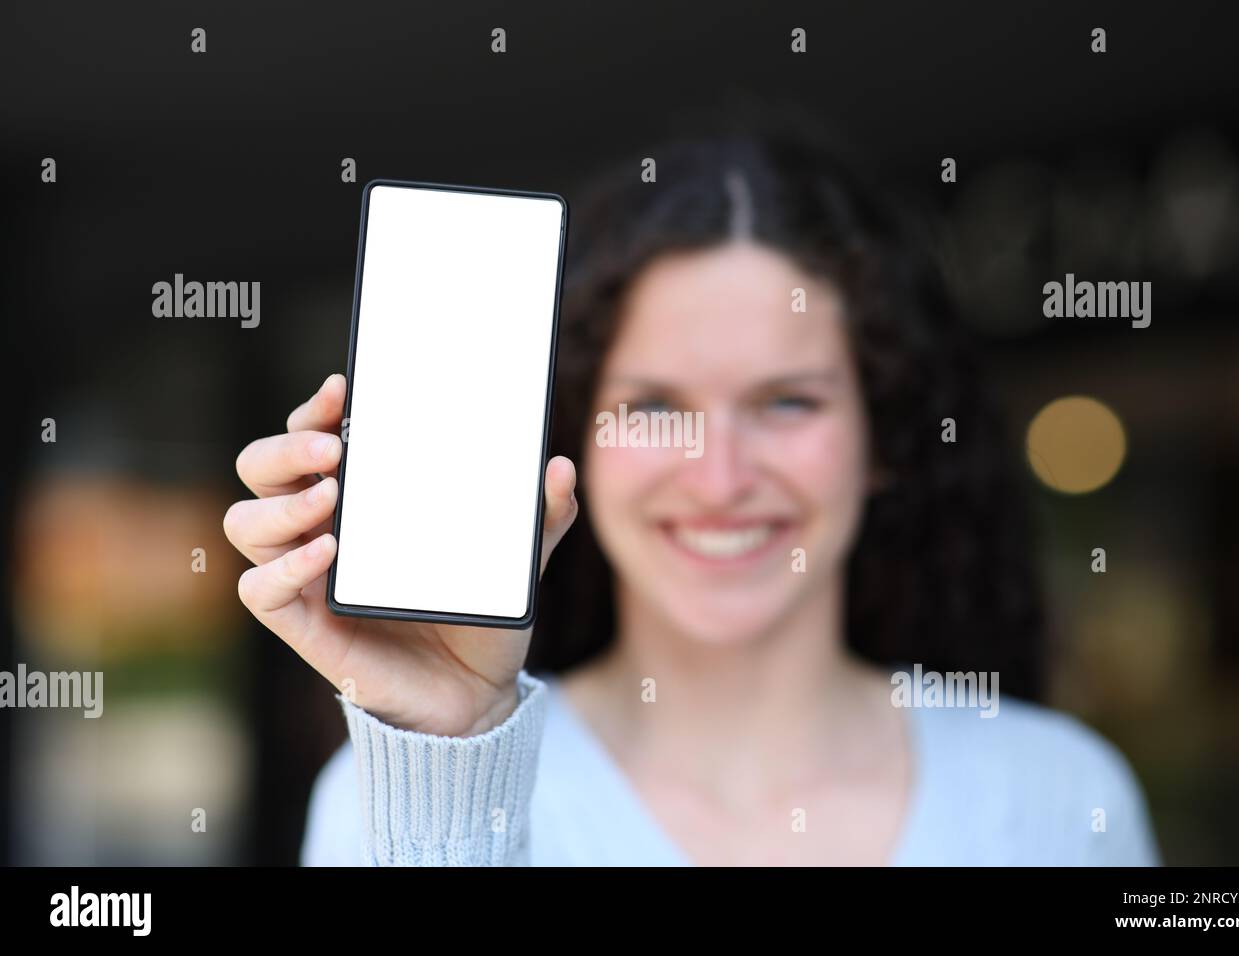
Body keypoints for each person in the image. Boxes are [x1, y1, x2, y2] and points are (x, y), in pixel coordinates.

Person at [224, 132, 1160, 866]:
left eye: (788, 401)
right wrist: (447, 752)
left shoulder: (1059, 795)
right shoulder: (387, 791)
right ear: (578, 438)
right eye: (655, 406)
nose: (718, 477)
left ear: (886, 438)